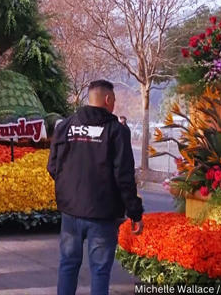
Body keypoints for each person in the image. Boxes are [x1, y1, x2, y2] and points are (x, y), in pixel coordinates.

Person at [47, 80, 144, 295]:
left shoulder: (65, 126)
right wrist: (135, 211)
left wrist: (70, 190)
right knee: (100, 270)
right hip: (103, 213)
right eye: (114, 100)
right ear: (108, 100)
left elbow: (52, 166)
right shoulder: (116, 131)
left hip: (70, 212)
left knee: (67, 265)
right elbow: (124, 176)